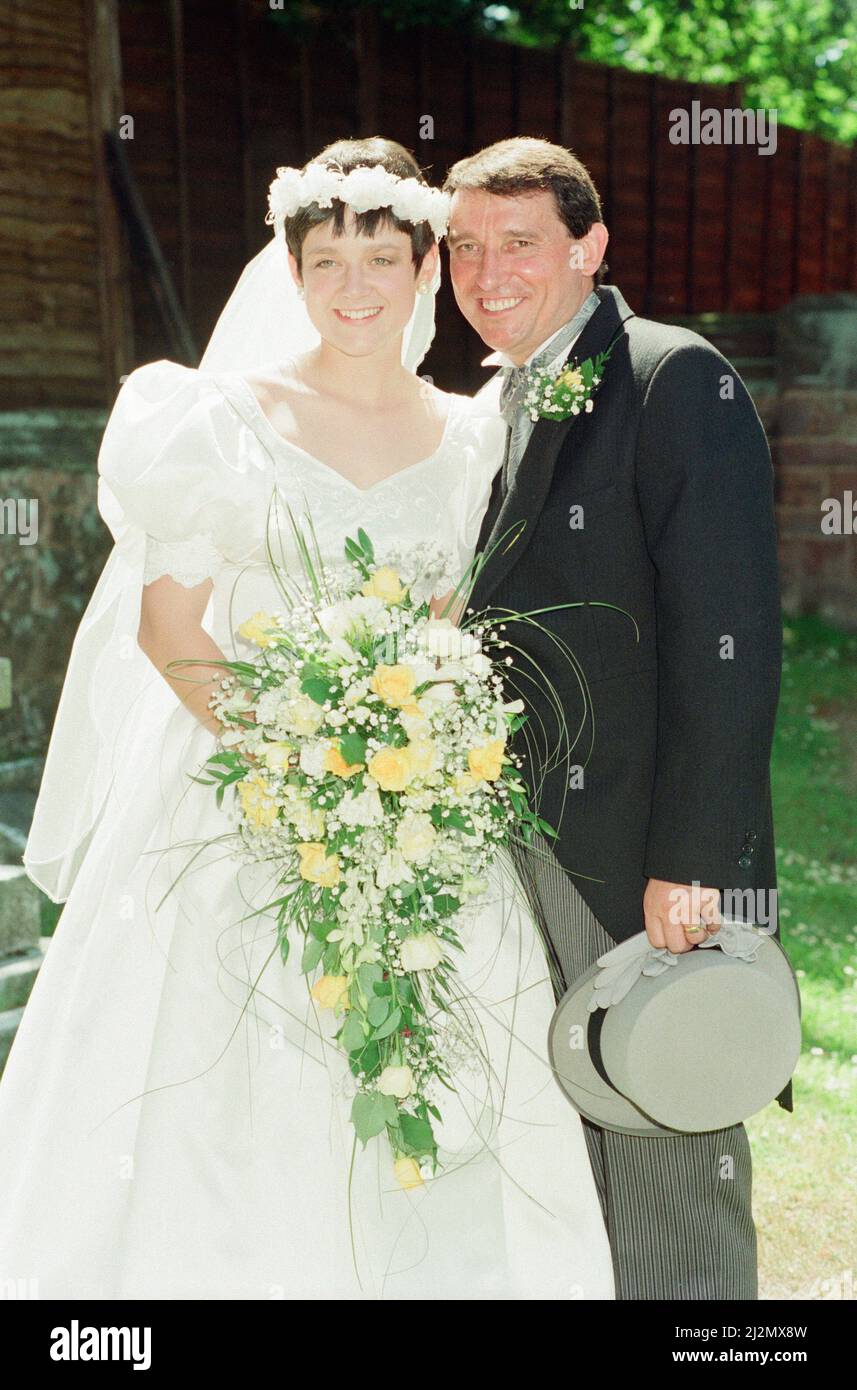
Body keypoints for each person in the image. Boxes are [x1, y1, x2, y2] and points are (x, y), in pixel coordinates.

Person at [0, 138, 614, 1301]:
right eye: (324, 258)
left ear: (424, 265)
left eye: (378, 255)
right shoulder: (213, 418)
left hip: (416, 810)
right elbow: (170, 632)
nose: (352, 285)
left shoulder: (469, 432)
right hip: (235, 788)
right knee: (224, 1078)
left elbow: (446, 625)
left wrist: (405, 764)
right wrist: (300, 757)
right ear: (288, 271)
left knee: (432, 1054)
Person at [444, 136, 789, 1300]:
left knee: (663, 1123)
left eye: (520, 243)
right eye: (466, 247)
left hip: (637, 853)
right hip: (505, 839)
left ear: (587, 248)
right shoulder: (479, 409)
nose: (488, 272)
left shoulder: (669, 375)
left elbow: (727, 643)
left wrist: (694, 865)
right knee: (560, 1137)